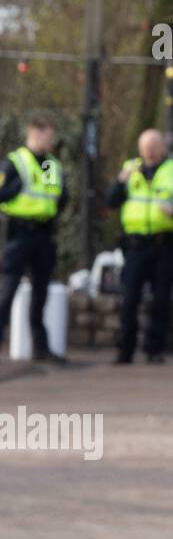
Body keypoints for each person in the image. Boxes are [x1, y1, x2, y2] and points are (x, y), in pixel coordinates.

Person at [106, 129, 173, 364]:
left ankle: (154, 349)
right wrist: (119, 181)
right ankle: (125, 349)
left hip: (164, 243)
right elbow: (111, 201)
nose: (149, 151)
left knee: (161, 299)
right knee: (129, 298)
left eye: (153, 146)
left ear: (162, 147)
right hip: (135, 244)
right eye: (145, 147)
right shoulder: (130, 170)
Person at [0, 114, 67, 362]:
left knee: (41, 292)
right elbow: (2, 193)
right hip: (19, 233)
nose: (52, 141)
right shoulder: (15, 162)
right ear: (35, 133)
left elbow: (58, 195)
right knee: (8, 289)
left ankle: (41, 348)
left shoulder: (50, 164)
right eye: (49, 135)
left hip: (44, 234)